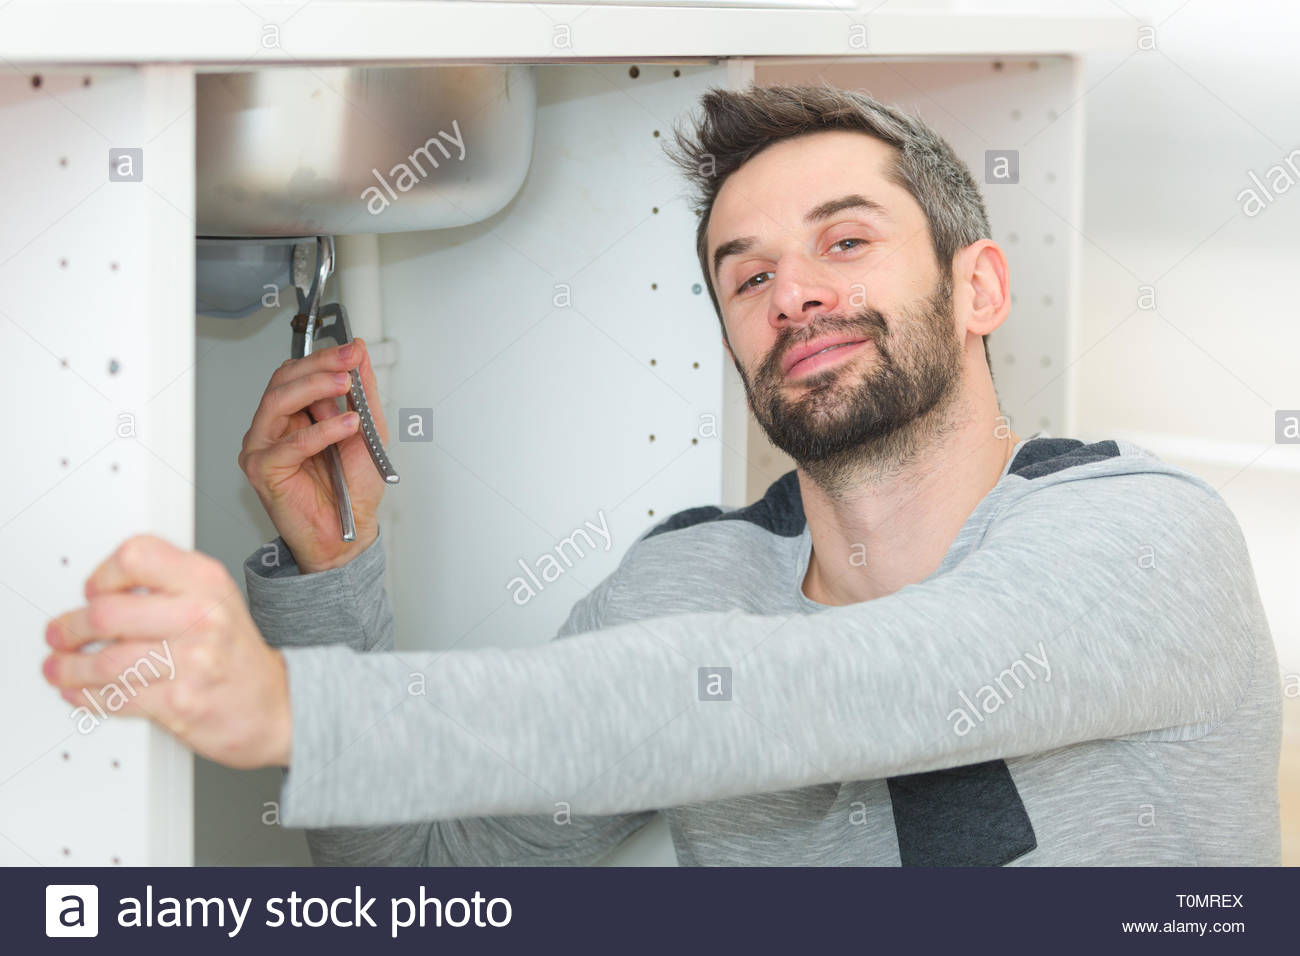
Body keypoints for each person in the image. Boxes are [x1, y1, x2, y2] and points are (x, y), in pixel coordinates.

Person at [43, 84, 1282, 865]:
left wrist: (292, 712)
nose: (793, 292)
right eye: (746, 276)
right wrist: (330, 585)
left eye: (845, 241)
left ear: (978, 289)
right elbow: (423, 877)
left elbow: (808, 691)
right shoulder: (689, 578)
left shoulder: (1142, 537)